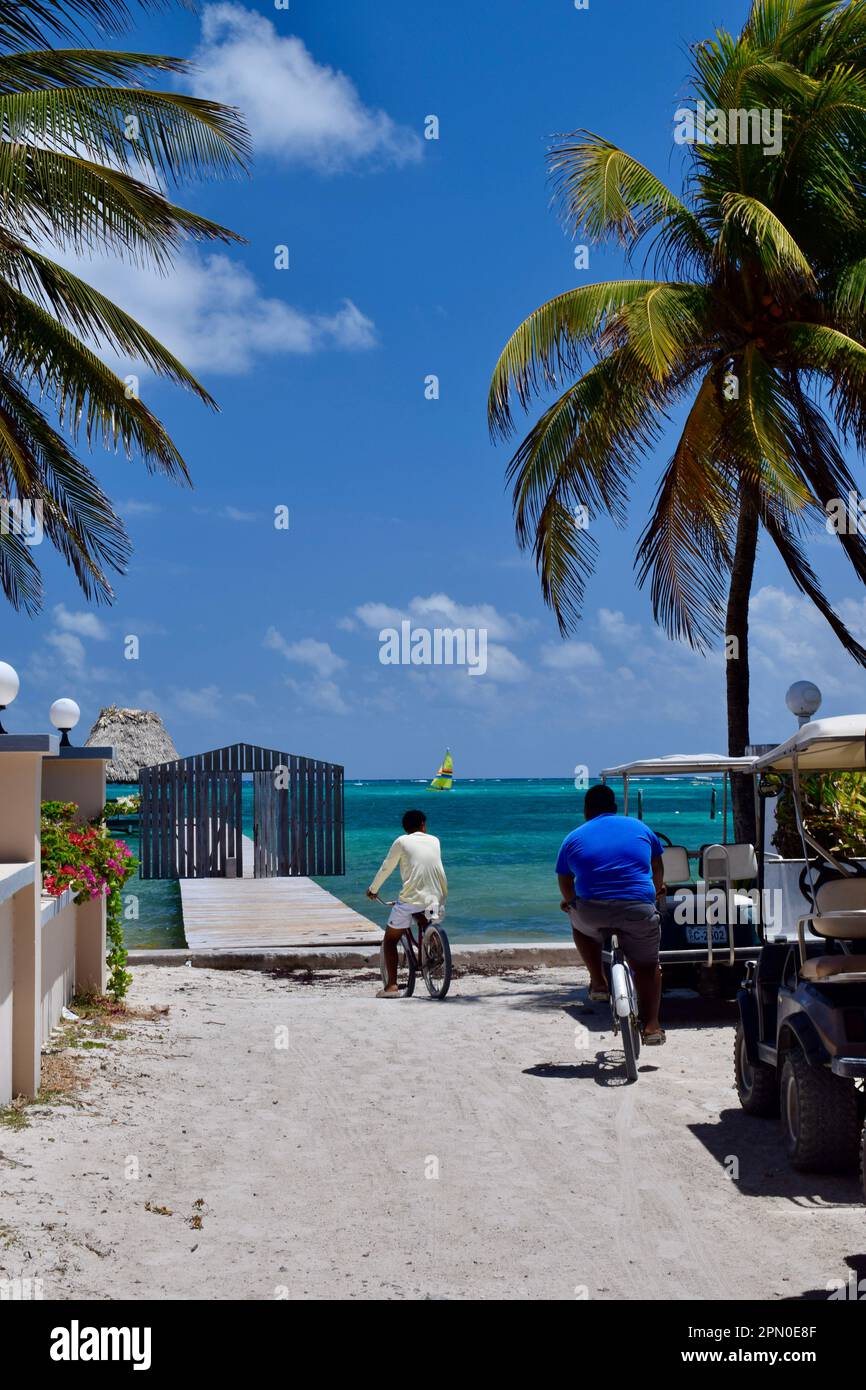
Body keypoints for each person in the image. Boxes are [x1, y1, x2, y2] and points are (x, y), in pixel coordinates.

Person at [556, 783, 667, 1044]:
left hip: (592, 911)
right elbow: (657, 864)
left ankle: (598, 981)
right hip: (637, 908)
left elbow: (564, 878)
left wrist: (571, 902)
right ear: (615, 809)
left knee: (578, 925)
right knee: (648, 965)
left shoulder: (573, 837)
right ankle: (651, 1026)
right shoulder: (640, 828)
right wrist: (657, 889)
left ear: (586, 811)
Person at [366, 809, 447, 998]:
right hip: (437, 898)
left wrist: (373, 889)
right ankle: (432, 950)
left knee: (390, 940)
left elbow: (387, 866)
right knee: (424, 915)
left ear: (405, 828)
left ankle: (391, 986)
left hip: (411, 900)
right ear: (423, 825)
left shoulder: (401, 841)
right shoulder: (435, 840)